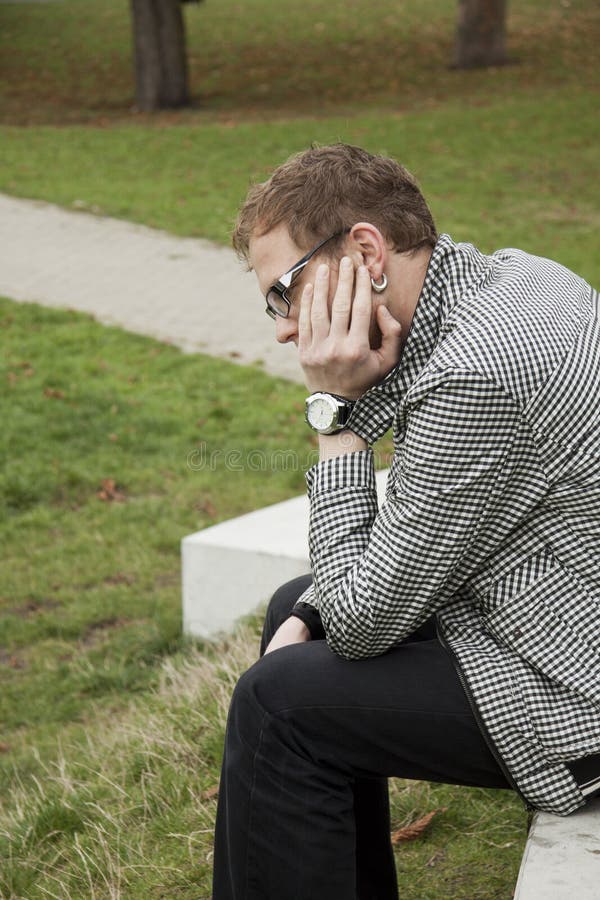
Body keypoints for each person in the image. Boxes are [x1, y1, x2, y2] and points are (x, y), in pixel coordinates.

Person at [211, 144, 600, 900]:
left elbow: (363, 624)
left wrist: (332, 413)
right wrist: (315, 610)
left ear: (366, 251)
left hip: (578, 688)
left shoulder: (476, 371)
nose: (285, 329)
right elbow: (424, 509)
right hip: (557, 600)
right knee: (296, 607)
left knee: (278, 706)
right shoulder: (515, 277)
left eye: (285, 292)